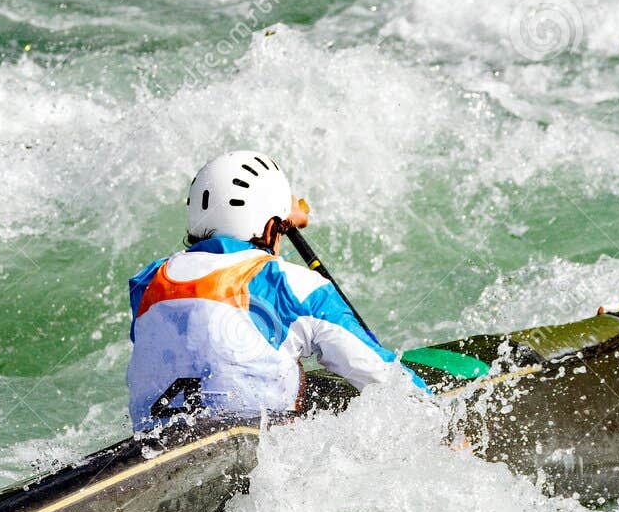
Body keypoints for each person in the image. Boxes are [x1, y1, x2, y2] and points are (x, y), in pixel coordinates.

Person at [126, 150, 428, 429]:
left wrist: (278, 216)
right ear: (272, 228)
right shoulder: (290, 283)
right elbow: (377, 374)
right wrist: (437, 417)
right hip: (256, 442)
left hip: (158, 440)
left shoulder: (149, 282)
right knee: (312, 380)